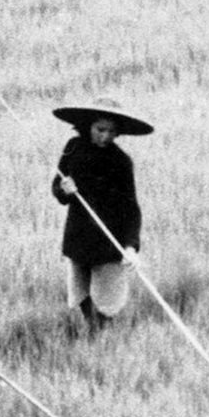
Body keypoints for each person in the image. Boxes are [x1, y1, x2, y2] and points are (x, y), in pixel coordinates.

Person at [50, 97, 151, 333]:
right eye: (100, 129)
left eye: (112, 131)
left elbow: (131, 207)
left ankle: (101, 333)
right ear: (88, 125)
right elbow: (57, 186)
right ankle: (91, 327)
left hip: (108, 238)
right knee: (80, 292)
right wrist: (64, 191)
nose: (105, 136)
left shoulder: (121, 161)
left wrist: (130, 246)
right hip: (79, 234)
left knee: (108, 298)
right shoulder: (72, 148)